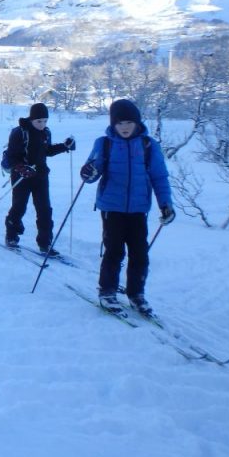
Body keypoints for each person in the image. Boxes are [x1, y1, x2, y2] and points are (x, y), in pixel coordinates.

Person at [80, 99, 175, 317]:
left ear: (137, 123)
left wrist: (166, 205)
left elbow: (159, 177)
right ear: (113, 123)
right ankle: (107, 291)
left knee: (140, 253)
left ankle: (136, 293)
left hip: (139, 208)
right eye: (120, 123)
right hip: (111, 207)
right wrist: (88, 172)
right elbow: (91, 171)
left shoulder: (148, 145)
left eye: (129, 122)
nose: (124, 127)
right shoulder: (104, 143)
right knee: (114, 251)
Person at [4, 102, 75, 254]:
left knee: (44, 210)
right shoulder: (19, 132)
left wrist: (64, 146)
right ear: (31, 119)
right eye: (39, 121)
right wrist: (22, 168)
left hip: (41, 176)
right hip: (21, 176)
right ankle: (11, 235)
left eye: (45, 121)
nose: (42, 124)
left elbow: (47, 151)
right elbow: (11, 156)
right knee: (19, 207)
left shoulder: (46, 132)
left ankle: (45, 243)